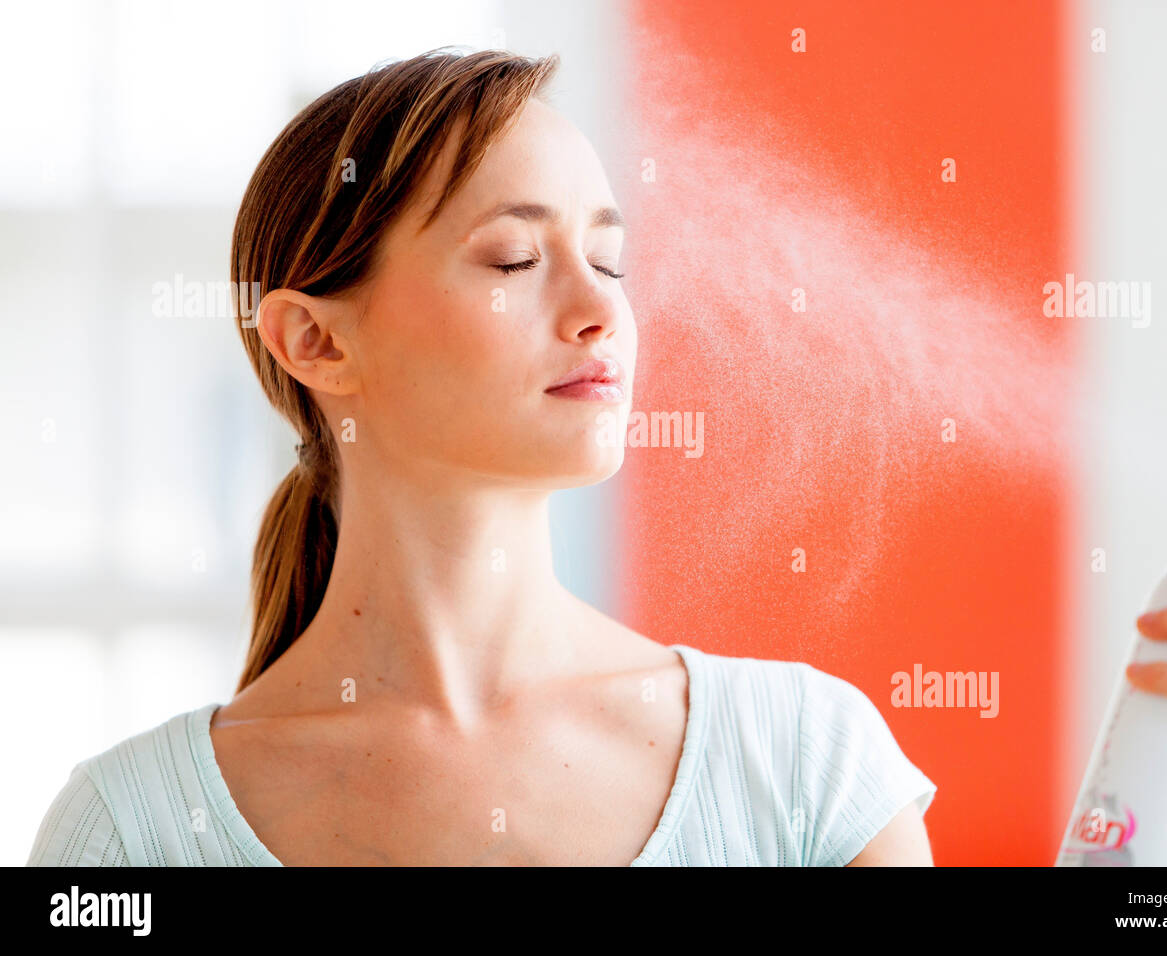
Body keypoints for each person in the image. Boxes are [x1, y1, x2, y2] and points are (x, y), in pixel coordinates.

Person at [26, 47, 937, 866]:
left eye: (611, 261)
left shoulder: (808, 765)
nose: (602, 310)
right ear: (315, 340)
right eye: (512, 259)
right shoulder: (130, 834)